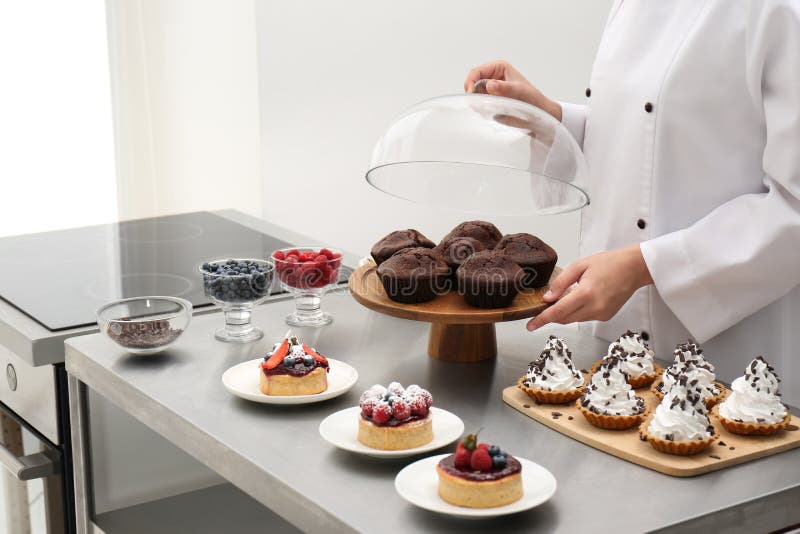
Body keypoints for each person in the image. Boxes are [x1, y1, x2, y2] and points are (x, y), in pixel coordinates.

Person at [464, 1, 800, 404]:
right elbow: (644, 134)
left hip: (736, 358)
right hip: (614, 347)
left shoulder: (778, 11)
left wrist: (643, 266)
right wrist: (551, 118)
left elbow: (792, 205)